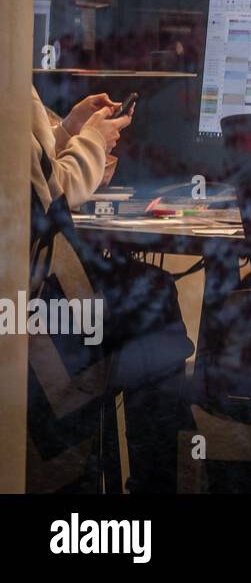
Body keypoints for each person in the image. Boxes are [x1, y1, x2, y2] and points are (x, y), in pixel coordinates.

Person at [28, 86, 192, 493]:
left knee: (146, 290)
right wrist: (92, 143)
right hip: (27, 304)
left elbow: (33, 167)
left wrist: (68, 130)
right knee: (152, 296)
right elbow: (49, 193)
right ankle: (158, 477)